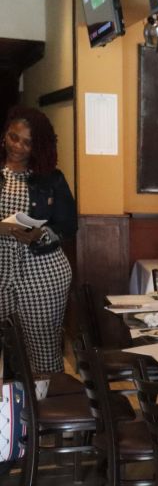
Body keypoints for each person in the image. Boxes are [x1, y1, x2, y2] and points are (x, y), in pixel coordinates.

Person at [0, 106, 76, 373]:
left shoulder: (51, 180)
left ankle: (44, 410)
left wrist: (40, 234)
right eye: (13, 137)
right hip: (2, 271)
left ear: (38, 146)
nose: (18, 147)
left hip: (42, 274)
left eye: (27, 142)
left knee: (43, 355)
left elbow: (69, 225)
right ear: (4, 136)